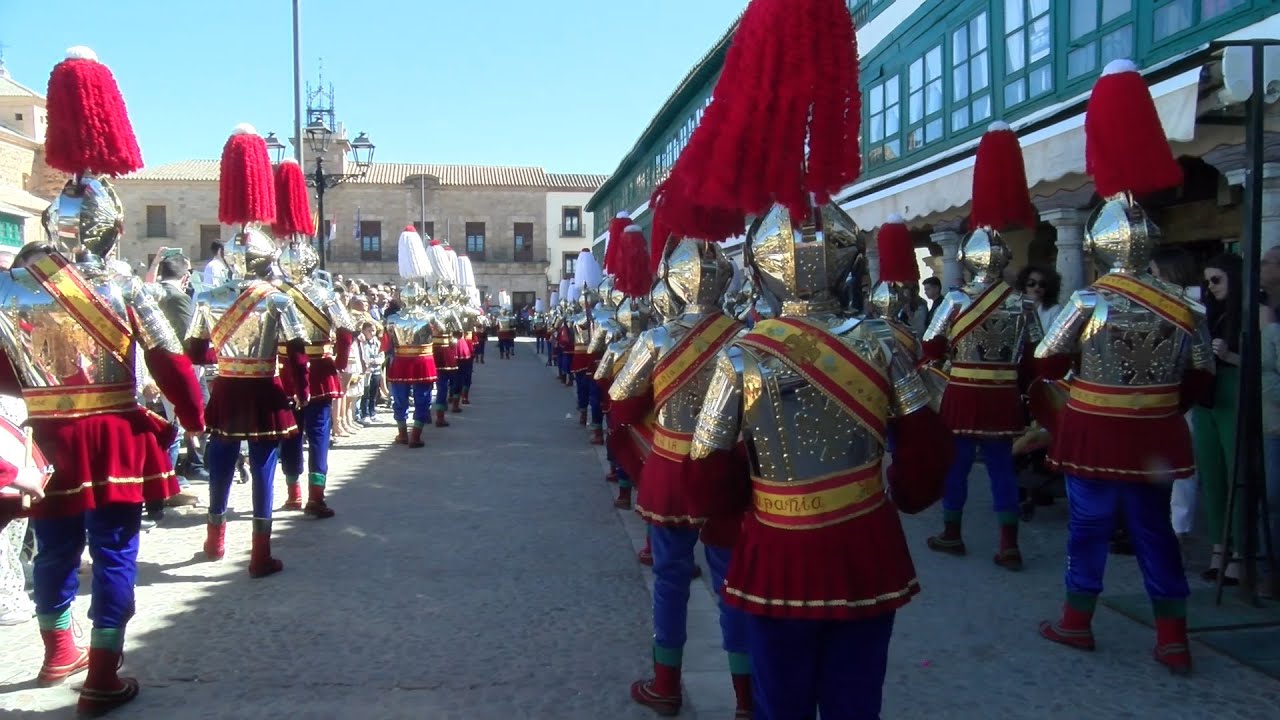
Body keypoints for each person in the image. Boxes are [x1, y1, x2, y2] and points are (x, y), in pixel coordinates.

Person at [1033, 58, 1209, 675]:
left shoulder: (1087, 300)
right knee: (1154, 531)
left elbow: (1046, 359)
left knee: (1088, 525)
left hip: (1095, 428)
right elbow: (1201, 380)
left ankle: (1076, 622)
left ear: (1102, 244)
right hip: (1155, 431)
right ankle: (1173, 638)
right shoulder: (1185, 306)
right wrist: (1158, 403)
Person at [609, 235, 750, 718]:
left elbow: (622, 405)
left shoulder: (656, 338)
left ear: (674, 281)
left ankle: (666, 682)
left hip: (670, 468)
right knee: (732, 583)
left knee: (670, 580)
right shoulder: (747, 335)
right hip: (729, 470)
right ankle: (746, 699)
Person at [187, 124, 309, 579]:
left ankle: (214, 538)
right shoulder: (277, 299)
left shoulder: (206, 297)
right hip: (264, 388)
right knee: (263, 470)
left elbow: (196, 349)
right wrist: (298, 390)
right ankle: (260, 552)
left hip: (226, 387)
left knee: (220, 464)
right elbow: (296, 352)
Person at [923, 122, 1042, 571]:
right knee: (1001, 469)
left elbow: (932, 348)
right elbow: (1034, 360)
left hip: (962, 394)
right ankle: (1008, 542)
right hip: (1003, 397)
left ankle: (952, 533)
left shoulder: (954, 300)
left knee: (955, 466)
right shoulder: (1020, 303)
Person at [1148, 246, 1204, 542]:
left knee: (1184, 465)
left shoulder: (1192, 303)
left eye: (1155, 273)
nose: (1151, 278)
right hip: (1160, 391)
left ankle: (1178, 531)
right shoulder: (1155, 302)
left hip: (1183, 389)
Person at [1196, 252, 1245, 584]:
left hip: (1234, 390)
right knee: (1211, 475)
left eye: (1217, 279)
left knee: (1236, 474)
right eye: (1207, 281)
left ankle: (1241, 553)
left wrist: (1229, 355)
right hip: (1206, 394)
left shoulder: (1249, 313)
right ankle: (1218, 548)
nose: (1211, 286)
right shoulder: (1206, 313)